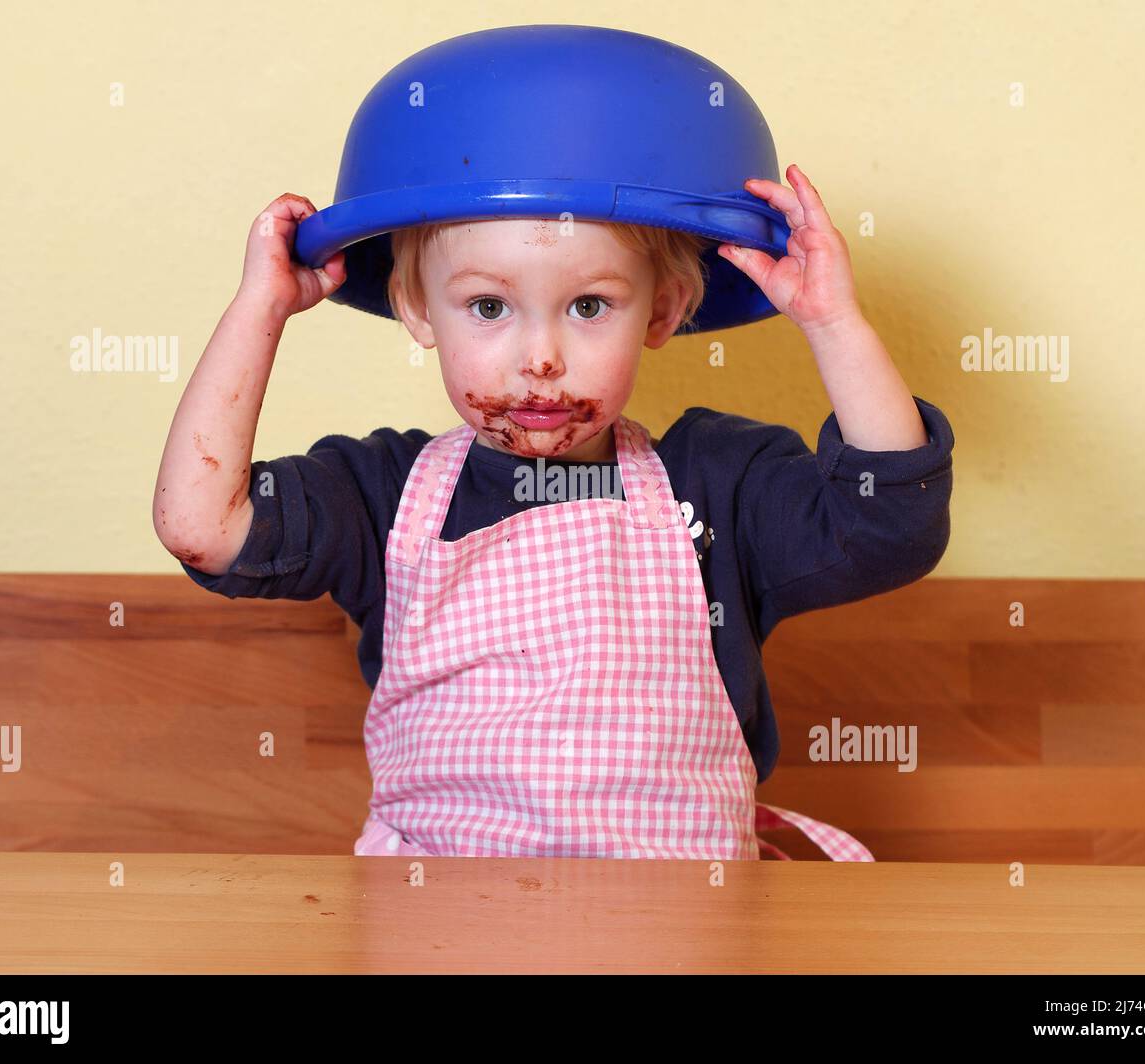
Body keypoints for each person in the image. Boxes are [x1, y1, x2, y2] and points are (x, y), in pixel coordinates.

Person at [152, 165, 953, 860]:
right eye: (489, 308)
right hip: (436, 932)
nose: (540, 359)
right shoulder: (382, 493)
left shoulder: (718, 482)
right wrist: (261, 306)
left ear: (664, 311)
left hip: (683, 930)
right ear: (419, 310)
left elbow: (893, 529)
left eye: (590, 306)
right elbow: (202, 525)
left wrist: (833, 323)